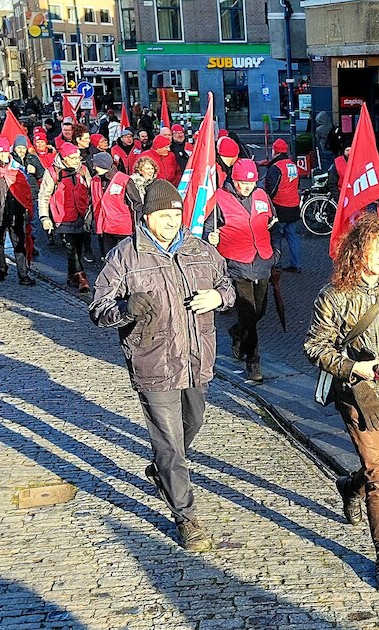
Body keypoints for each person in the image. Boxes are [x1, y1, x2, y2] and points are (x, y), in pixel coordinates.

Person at [89, 180, 236, 551]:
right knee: (170, 444)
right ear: (147, 216)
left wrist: (218, 297)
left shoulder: (200, 250)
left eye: (176, 213)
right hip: (153, 362)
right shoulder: (125, 256)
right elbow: (98, 309)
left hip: (197, 359)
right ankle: (186, 517)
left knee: (193, 423)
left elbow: (228, 286)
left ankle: (162, 470)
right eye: (164, 215)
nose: (172, 221)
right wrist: (125, 309)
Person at [304, 214, 379, 592]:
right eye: (376, 249)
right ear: (358, 251)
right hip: (356, 395)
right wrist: (354, 367)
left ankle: (348, 487)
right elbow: (315, 347)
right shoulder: (334, 295)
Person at [208, 159, 275, 384]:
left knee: (259, 311)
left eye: (251, 182)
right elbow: (207, 227)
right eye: (243, 182)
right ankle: (253, 361)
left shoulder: (262, 196)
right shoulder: (219, 199)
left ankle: (237, 332)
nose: (248, 186)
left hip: (262, 259)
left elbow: (272, 223)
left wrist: (276, 253)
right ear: (234, 180)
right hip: (236, 262)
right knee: (248, 313)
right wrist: (210, 236)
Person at [39, 142, 93, 292]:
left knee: (79, 248)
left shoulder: (82, 169)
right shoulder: (52, 172)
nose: (77, 161)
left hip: (81, 214)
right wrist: (44, 217)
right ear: (64, 158)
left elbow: (90, 189)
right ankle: (82, 279)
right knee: (71, 249)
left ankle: (71, 276)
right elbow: (44, 196)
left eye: (78, 157)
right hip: (63, 216)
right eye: (73, 158)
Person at [0, 138, 36, 285]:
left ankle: (23, 274)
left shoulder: (17, 168)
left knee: (19, 243)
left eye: (5, 152)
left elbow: (25, 190)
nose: (2, 155)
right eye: (0, 152)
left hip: (16, 212)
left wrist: (26, 209)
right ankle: (2, 269)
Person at [263, 138, 302, 272]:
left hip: (280, 206)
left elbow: (271, 189)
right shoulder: (292, 165)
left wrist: (267, 200)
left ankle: (276, 263)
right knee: (292, 236)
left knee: (276, 236)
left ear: (275, 151)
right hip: (294, 205)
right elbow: (297, 184)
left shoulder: (276, 167)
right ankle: (296, 264)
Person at [92, 152, 135, 252]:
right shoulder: (95, 181)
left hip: (123, 227)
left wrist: (136, 224)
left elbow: (135, 203)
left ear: (103, 165)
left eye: (96, 165)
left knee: (124, 255)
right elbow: (92, 202)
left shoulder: (124, 180)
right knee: (109, 255)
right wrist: (89, 219)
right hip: (105, 227)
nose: (94, 168)